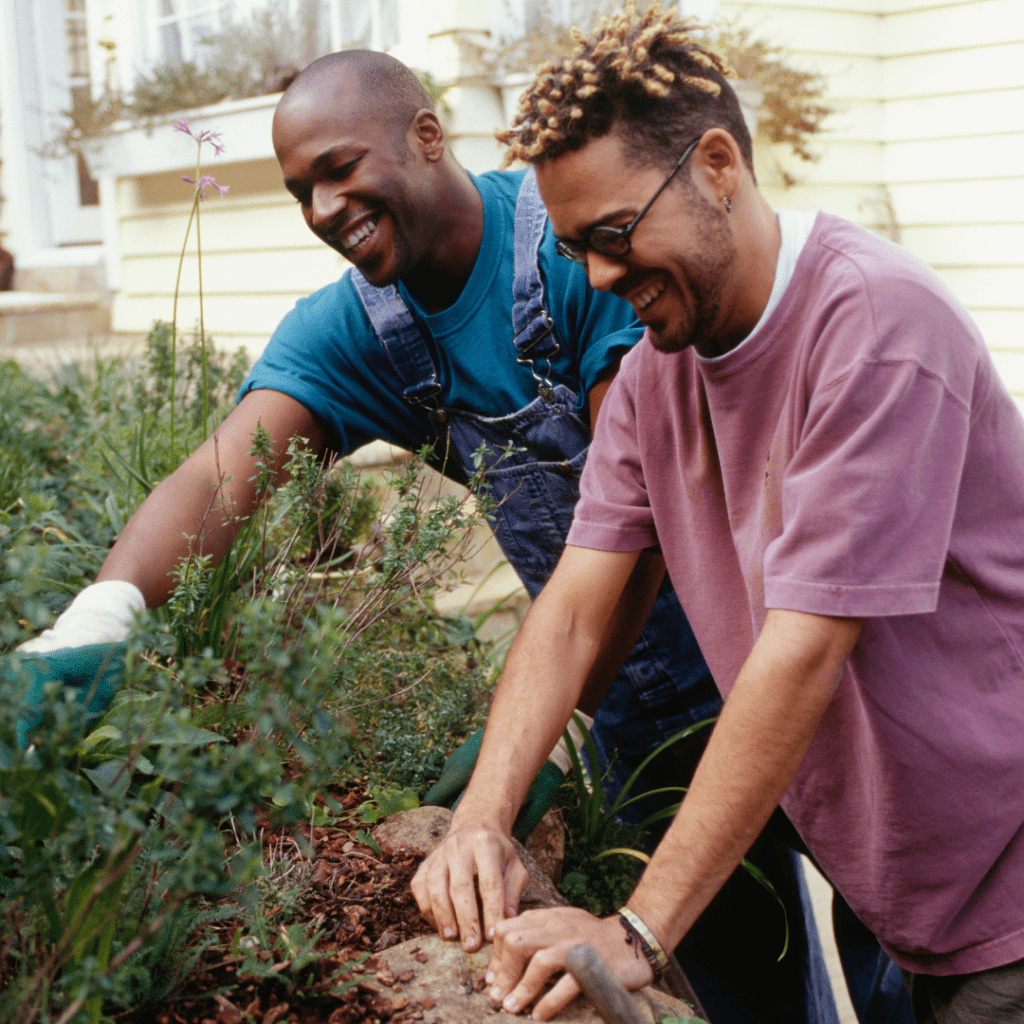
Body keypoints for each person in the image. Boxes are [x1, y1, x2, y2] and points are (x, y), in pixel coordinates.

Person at [11, 48, 899, 1024]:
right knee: (744, 984)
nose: (322, 207)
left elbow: (637, 528)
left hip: (795, 660)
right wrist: (95, 621)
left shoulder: (585, 244)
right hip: (638, 722)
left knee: (901, 948)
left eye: (341, 167)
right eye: (301, 188)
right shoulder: (357, 326)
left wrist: (543, 741)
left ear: (426, 136)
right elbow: (223, 473)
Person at [410, 5, 1024, 1024]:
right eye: (576, 253)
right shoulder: (658, 376)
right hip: (900, 897)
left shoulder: (872, 329)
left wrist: (637, 931)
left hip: (1004, 893)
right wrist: (482, 819)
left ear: (716, 165)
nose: (603, 276)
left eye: (615, 234)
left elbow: (801, 652)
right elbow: (573, 608)